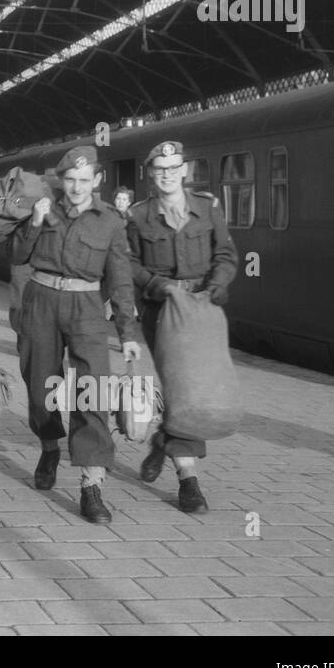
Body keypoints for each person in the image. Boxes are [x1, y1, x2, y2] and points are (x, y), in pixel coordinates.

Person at [0, 146, 142, 524]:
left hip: (87, 306)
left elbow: (121, 281)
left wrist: (127, 332)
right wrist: (33, 224)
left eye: (84, 180)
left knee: (92, 391)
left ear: (96, 181)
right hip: (40, 300)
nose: (76, 187)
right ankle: (48, 445)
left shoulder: (110, 221)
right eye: (70, 180)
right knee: (41, 386)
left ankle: (91, 484)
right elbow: (16, 256)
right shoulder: (41, 207)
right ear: (61, 181)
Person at [126, 140, 238, 515]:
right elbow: (129, 265)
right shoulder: (138, 217)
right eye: (161, 170)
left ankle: (163, 441)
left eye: (174, 169)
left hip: (204, 310)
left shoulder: (207, 208)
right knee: (180, 391)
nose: (168, 176)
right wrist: (160, 287)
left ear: (184, 172)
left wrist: (216, 287)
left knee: (201, 390)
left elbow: (225, 255)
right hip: (163, 313)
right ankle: (189, 481)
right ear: (151, 174)